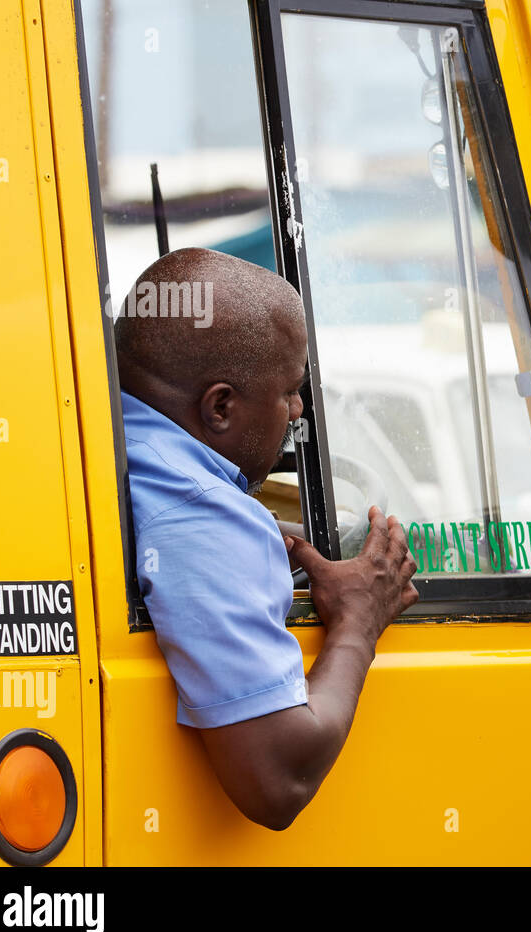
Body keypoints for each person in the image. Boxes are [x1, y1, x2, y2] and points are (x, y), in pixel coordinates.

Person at [116, 247, 419, 830]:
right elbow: (278, 779)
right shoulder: (206, 513)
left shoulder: (118, 441)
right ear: (221, 407)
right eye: (289, 391)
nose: (298, 409)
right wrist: (359, 621)